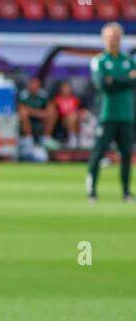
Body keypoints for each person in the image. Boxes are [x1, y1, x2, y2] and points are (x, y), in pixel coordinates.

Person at [87, 22, 135, 201]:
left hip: (126, 115)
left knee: (127, 156)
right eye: (110, 37)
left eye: (116, 37)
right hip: (105, 115)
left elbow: (130, 82)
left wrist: (113, 81)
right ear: (104, 39)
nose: (113, 41)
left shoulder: (129, 60)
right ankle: (91, 191)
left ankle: (126, 192)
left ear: (121, 39)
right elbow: (101, 85)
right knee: (98, 153)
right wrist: (125, 81)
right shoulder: (98, 61)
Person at [17, 75, 56, 159]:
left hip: (41, 119)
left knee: (53, 114)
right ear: (29, 85)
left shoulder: (43, 95)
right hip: (28, 119)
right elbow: (22, 109)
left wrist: (42, 114)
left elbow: (50, 108)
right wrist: (39, 114)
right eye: (32, 84)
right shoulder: (23, 95)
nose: (34, 87)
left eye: (36, 84)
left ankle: (46, 137)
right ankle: (28, 139)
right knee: (24, 114)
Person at [54, 80, 82, 147]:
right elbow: (55, 111)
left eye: (68, 88)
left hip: (75, 119)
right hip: (62, 120)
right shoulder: (57, 99)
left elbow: (79, 110)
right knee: (72, 117)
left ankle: (75, 138)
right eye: (64, 88)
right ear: (60, 90)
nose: (66, 90)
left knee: (74, 117)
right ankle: (73, 138)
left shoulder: (75, 99)